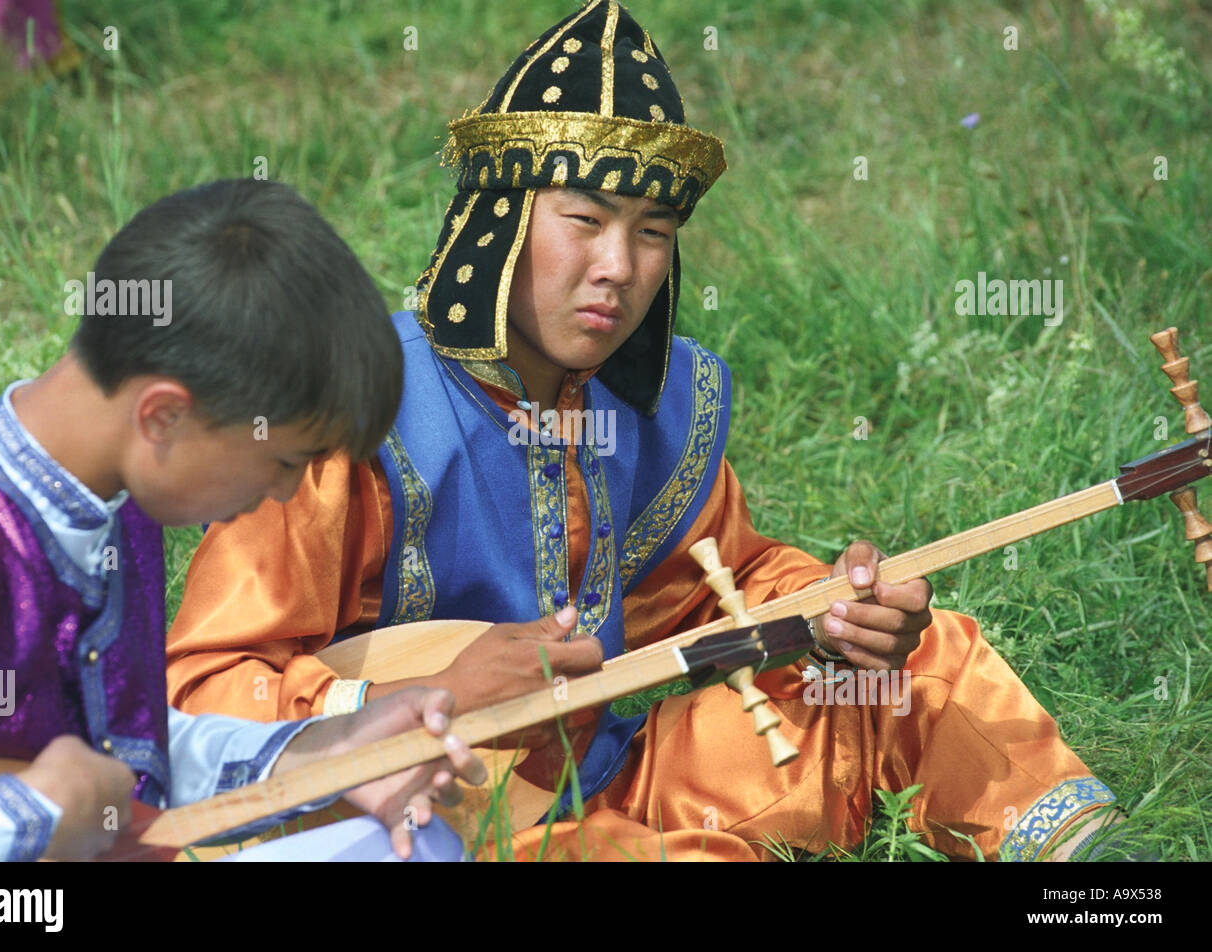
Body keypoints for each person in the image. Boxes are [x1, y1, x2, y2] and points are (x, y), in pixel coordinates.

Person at [165, 2, 1119, 861]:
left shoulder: (650, 408)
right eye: (583, 218)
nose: (616, 267)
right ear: (497, 221)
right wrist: (426, 700)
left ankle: (1109, 882)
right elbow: (204, 690)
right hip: (426, 811)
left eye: (654, 233)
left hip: (620, 775)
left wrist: (837, 613)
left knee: (919, 665)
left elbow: (723, 586)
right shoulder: (344, 410)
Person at [0, 178, 485, 862]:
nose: (285, 495)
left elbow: (132, 754)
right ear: (164, 414)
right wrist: (31, 815)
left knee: (413, 850)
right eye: (282, 462)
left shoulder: (117, 501)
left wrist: (330, 750)